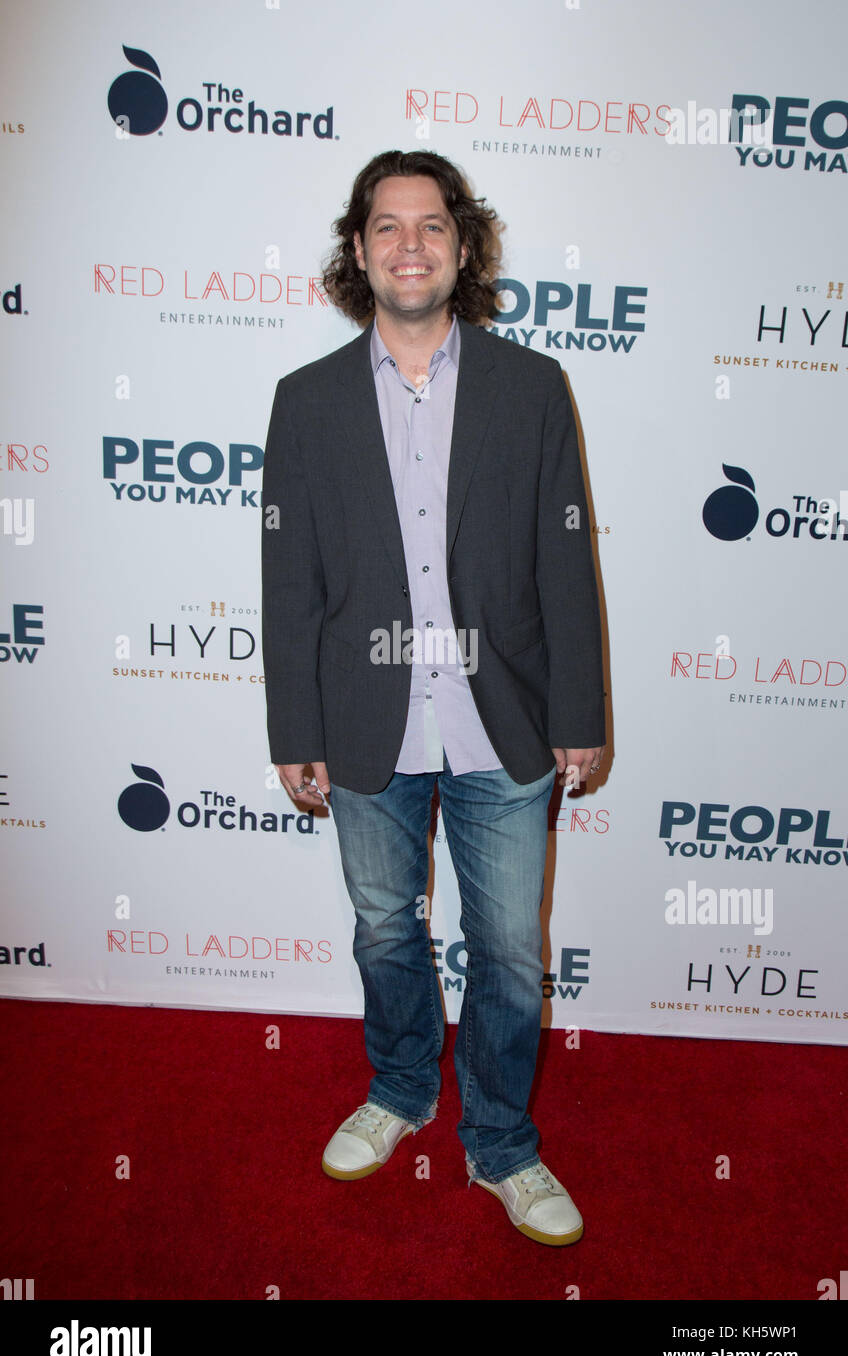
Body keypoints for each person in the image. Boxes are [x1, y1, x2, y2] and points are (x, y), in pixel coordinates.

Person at [261, 149, 606, 1247]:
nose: (408, 244)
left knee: (508, 945)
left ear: (463, 248)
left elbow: (564, 566)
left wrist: (579, 715)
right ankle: (404, 1088)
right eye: (385, 226)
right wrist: (294, 728)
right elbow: (289, 582)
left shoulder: (532, 385)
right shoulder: (304, 402)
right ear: (357, 252)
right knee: (383, 930)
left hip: (499, 719)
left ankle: (500, 1141)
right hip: (363, 725)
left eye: (430, 226)